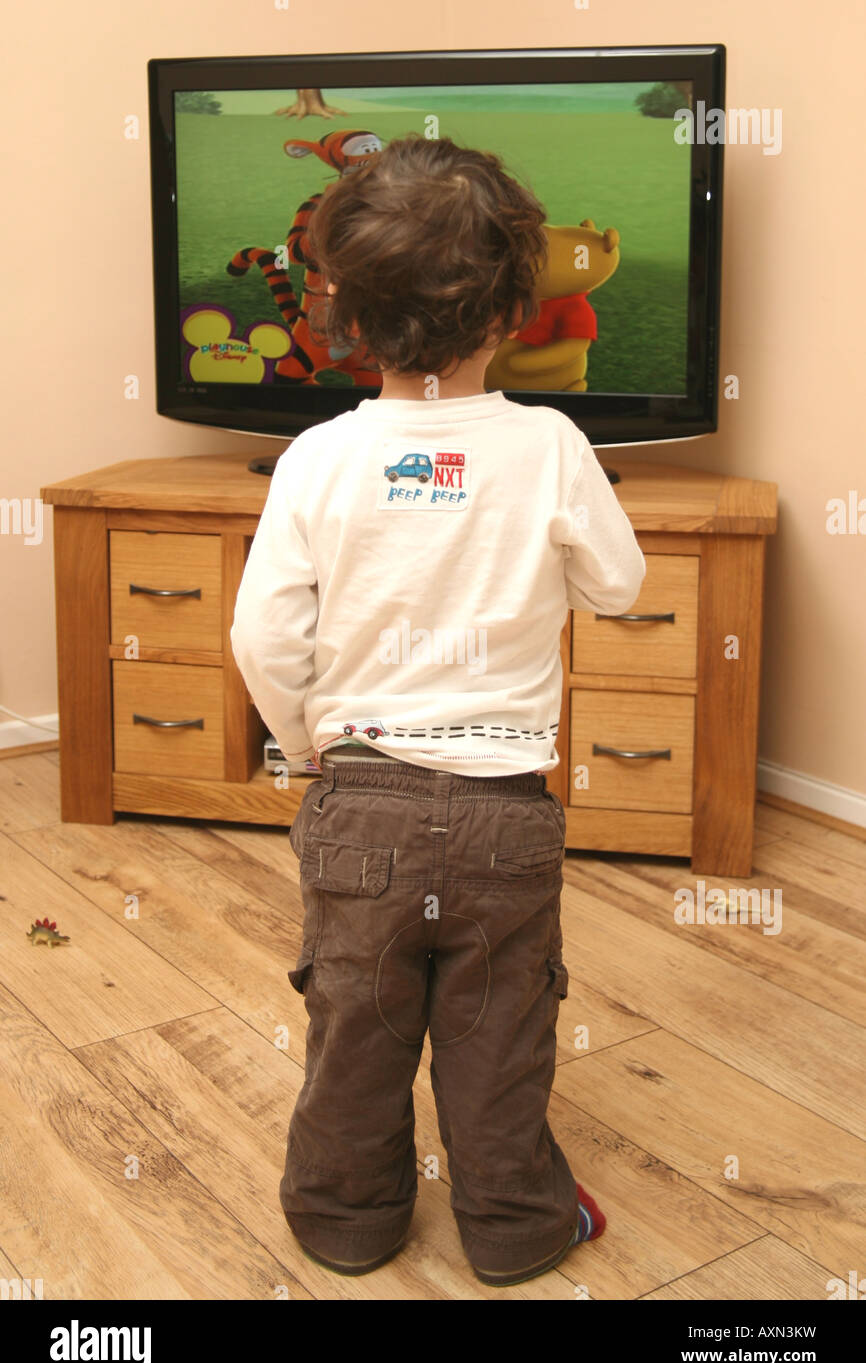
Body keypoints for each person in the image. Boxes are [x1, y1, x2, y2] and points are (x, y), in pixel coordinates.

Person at [230, 134, 646, 1286]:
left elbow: (261, 634)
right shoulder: (553, 445)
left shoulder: (314, 456)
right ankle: (515, 1226)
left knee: (354, 1026)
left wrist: (303, 735)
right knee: (497, 1031)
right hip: (505, 813)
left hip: (355, 803)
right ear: (518, 303)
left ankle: (343, 1218)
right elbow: (620, 586)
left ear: (343, 307)